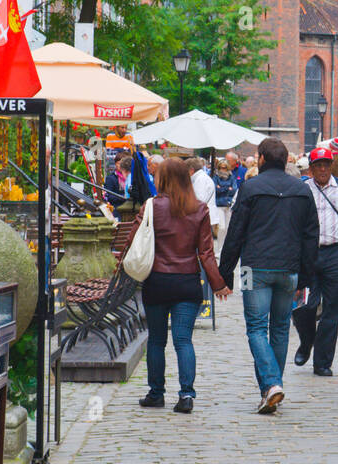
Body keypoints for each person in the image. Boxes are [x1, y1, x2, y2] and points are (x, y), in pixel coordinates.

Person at [218, 137, 319, 414]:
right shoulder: (302, 190)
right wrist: (307, 277)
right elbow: (312, 236)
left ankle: (271, 384)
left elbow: (235, 233)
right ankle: (271, 388)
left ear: (262, 158)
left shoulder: (250, 188)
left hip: (254, 268)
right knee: (280, 328)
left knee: (256, 327)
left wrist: (225, 273)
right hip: (289, 268)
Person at [129, 158, 230, 413]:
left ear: (163, 179)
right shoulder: (199, 209)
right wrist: (218, 285)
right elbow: (206, 252)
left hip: (157, 281)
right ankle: (186, 395)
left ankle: (156, 393)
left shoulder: (151, 206)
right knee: (183, 340)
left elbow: (132, 240)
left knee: (156, 340)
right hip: (187, 282)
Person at [292, 147, 338, 375]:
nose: (322, 169)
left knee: (333, 308)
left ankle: (322, 361)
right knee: (303, 306)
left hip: (336, 253)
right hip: (309, 254)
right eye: (318, 165)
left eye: (326, 165)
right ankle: (307, 340)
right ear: (310, 168)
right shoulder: (302, 189)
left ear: (331, 166)